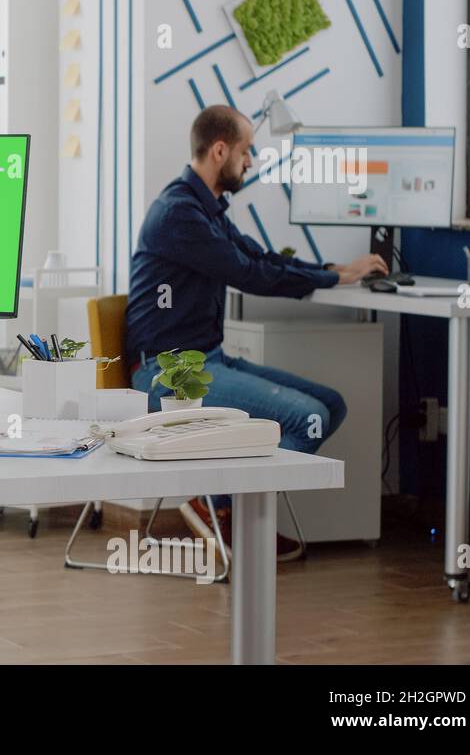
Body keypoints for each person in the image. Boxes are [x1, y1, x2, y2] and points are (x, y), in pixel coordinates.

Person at [126, 105, 387, 559]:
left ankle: (230, 509)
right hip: (168, 374)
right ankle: (229, 512)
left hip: (207, 359)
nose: (251, 161)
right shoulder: (180, 214)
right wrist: (334, 281)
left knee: (331, 404)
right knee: (307, 417)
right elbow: (249, 274)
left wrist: (332, 270)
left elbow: (258, 256)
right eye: (247, 151)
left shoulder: (204, 208)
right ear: (220, 149)